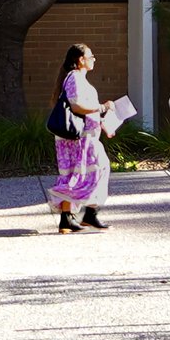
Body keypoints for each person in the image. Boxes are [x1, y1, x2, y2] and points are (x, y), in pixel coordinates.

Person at [48, 42, 113, 233]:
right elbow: (76, 106)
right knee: (98, 168)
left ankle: (67, 219)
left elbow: (85, 108)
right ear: (80, 60)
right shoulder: (75, 78)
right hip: (80, 139)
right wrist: (103, 107)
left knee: (76, 175)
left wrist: (103, 123)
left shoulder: (76, 78)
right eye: (91, 56)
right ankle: (89, 215)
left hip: (84, 137)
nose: (94, 59)